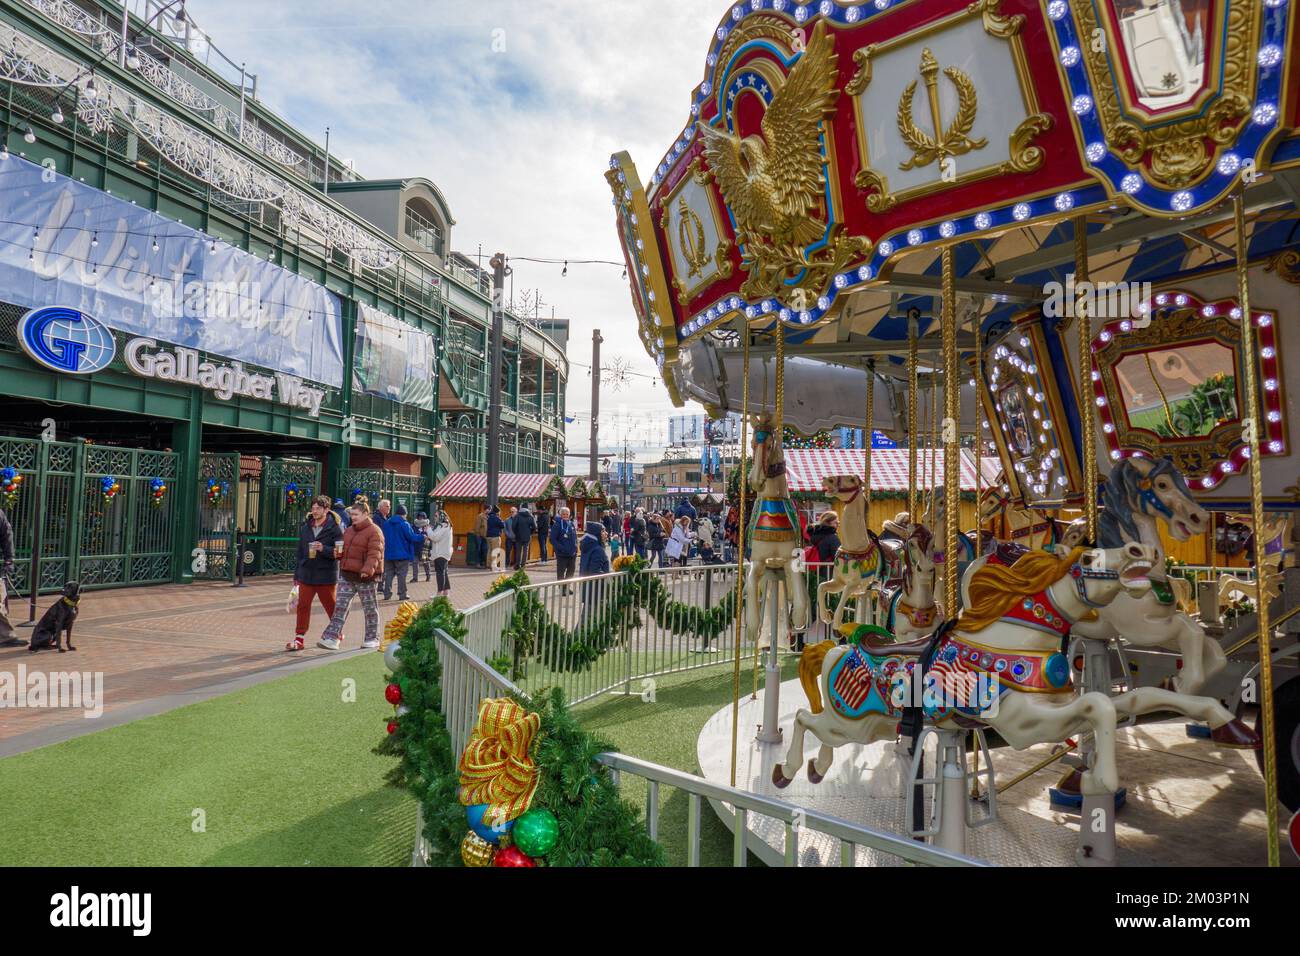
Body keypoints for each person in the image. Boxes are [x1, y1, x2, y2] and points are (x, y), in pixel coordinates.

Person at [317, 500, 384, 651]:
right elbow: (343, 549)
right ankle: (332, 638)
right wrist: (338, 554)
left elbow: (375, 553)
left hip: (366, 576)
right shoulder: (348, 530)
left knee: (370, 608)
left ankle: (372, 638)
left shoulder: (374, 531)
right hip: (347, 574)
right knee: (340, 606)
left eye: (356, 514)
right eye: (352, 514)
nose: (353, 517)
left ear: (365, 514)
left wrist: (368, 569)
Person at [288, 495, 343, 652]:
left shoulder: (335, 528)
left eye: (318, 508)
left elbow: (340, 552)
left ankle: (336, 634)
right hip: (306, 574)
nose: (314, 511)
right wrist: (296, 576)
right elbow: (300, 552)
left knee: (330, 607)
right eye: (313, 508)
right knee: (303, 606)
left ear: (326, 509)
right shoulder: (305, 527)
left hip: (326, 575)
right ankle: (299, 639)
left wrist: (323, 549)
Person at [382, 504, 423, 601]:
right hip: (402, 554)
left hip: (388, 553)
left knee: (389, 574)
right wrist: (422, 536)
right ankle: (402, 594)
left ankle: (387, 593)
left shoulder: (386, 523)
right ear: (404, 514)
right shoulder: (404, 524)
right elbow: (411, 537)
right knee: (401, 575)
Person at [579, 521, 611, 625]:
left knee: (587, 618)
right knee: (589, 621)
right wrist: (611, 579)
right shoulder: (597, 550)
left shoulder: (591, 546)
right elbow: (595, 572)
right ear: (597, 533)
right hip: (596, 591)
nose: (606, 533)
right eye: (603, 531)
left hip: (589, 589)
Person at [550, 506, 578, 586]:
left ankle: (566, 586)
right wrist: (561, 548)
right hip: (562, 554)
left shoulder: (571, 523)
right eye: (563, 514)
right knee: (561, 572)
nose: (565, 516)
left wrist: (576, 547)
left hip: (572, 553)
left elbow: (575, 537)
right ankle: (562, 588)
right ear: (560, 515)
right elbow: (552, 539)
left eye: (567, 514)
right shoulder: (557, 525)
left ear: (569, 515)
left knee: (571, 571)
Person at [429, 510, 453, 598]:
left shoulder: (444, 527)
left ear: (441, 517)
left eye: (436, 516)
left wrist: (428, 530)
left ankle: (439, 593)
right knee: (444, 572)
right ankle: (446, 592)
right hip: (442, 552)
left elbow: (435, 537)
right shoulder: (443, 526)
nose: (435, 517)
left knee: (440, 573)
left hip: (441, 553)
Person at [512, 504, 536, 571]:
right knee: (525, 551)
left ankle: (517, 565)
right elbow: (534, 527)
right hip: (527, 536)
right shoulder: (530, 516)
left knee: (518, 551)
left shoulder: (517, 516)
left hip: (518, 536)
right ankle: (523, 565)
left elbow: (513, 526)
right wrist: (530, 533)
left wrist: (516, 532)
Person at [413, 511, 434, 583]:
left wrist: (430, 547)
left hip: (424, 548)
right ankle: (415, 578)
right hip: (416, 547)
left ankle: (428, 576)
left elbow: (431, 536)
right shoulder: (414, 526)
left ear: (425, 518)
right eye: (419, 517)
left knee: (426, 563)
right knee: (415, 563)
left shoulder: (428, 526)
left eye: (422, 517)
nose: (421, 519)